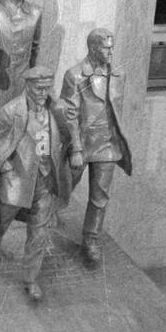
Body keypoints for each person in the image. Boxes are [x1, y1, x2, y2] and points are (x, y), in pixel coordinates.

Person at [0, 66, 77, 301]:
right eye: (38, 88)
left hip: (45, 180)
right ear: (28, 86)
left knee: (39, 231)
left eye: (47, 87)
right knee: (3, 216)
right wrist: (2, 163)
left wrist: (74, 152)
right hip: (17, 177)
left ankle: (31, 278)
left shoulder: (56, 110)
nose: (43, 92)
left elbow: (68, 134)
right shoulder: (11, 111)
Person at [60, 27, 133, 264]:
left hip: (108, 145)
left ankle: (91, 239)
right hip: (82, 143)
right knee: (63, 186)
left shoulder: (118, 75)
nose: (111, 51)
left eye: (112, 46)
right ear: (93, 48)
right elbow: (69, 114)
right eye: (106, 47)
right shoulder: (75, 75)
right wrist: (76, 148)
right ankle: (44, 217)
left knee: (100, 197)